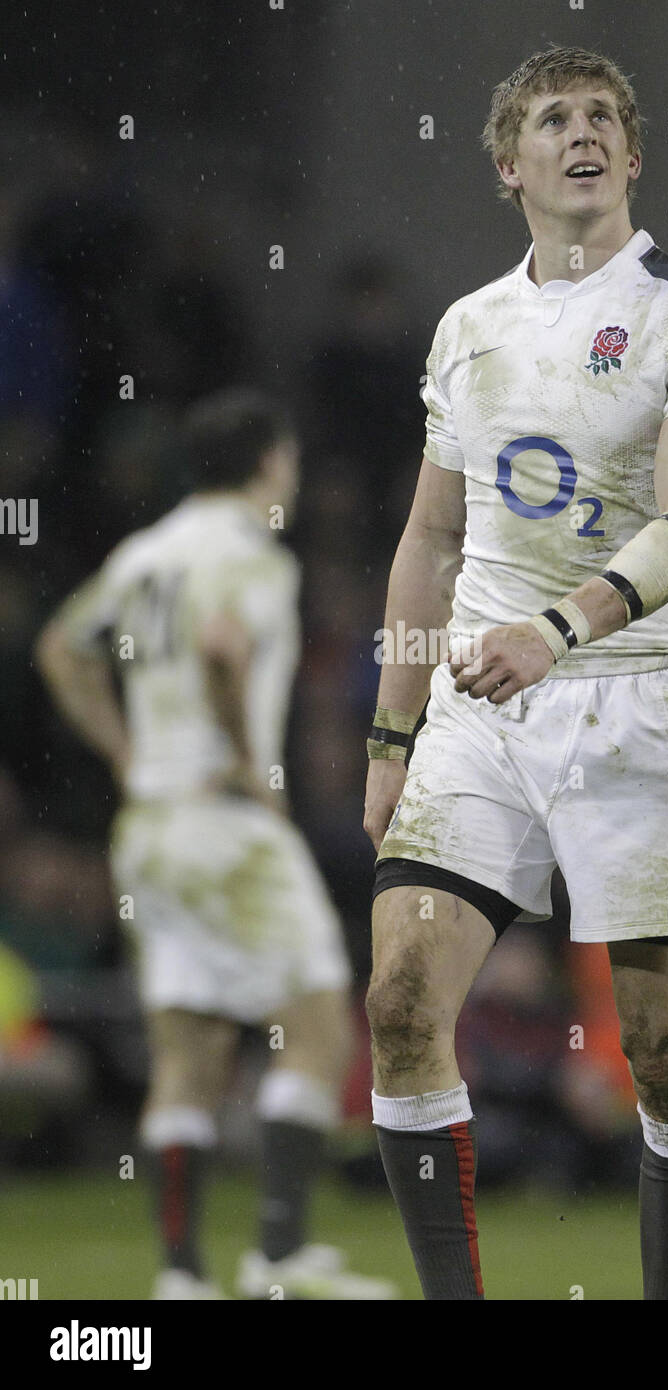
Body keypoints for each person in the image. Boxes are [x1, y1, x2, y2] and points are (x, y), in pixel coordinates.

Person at [363, 45, 668, 1300]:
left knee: (659, 1054)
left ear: (632, 157)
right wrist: (391, 737)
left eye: (603, 116)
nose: (580, 132)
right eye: (551, 119)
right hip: (481, 712)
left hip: (637, 705)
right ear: (510, 166)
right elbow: (433, 538)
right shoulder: (468, 329)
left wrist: (557, 625)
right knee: (396, 1001)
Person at [37, 388, 394, 1300]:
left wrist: (124, 751)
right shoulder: (251, 556)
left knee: (187, 1052)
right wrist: (248, 766)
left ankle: (181, 1276)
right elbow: (224, 647)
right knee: (318, 1029)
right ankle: (276, 1254)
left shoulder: (144, 552)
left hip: (149, 828)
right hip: (225, 823)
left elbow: (60, 650)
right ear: (270, 463)